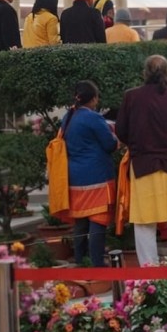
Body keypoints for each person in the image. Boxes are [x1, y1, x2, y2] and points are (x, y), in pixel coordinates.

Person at [115, 55, 167, 266]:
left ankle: (150, 273)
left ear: (145, 73)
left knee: (144, 222)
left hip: (143, 166)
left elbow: (121, 131)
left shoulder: (131, 97)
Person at [60, 80, 119, 267]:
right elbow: (110, 145)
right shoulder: (93, 118)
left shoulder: (68, 116)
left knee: (80, 222)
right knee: (98, 221)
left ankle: (79, 261)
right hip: (97, 178)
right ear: (93, 99)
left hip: (75, 178)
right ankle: (97, 264)